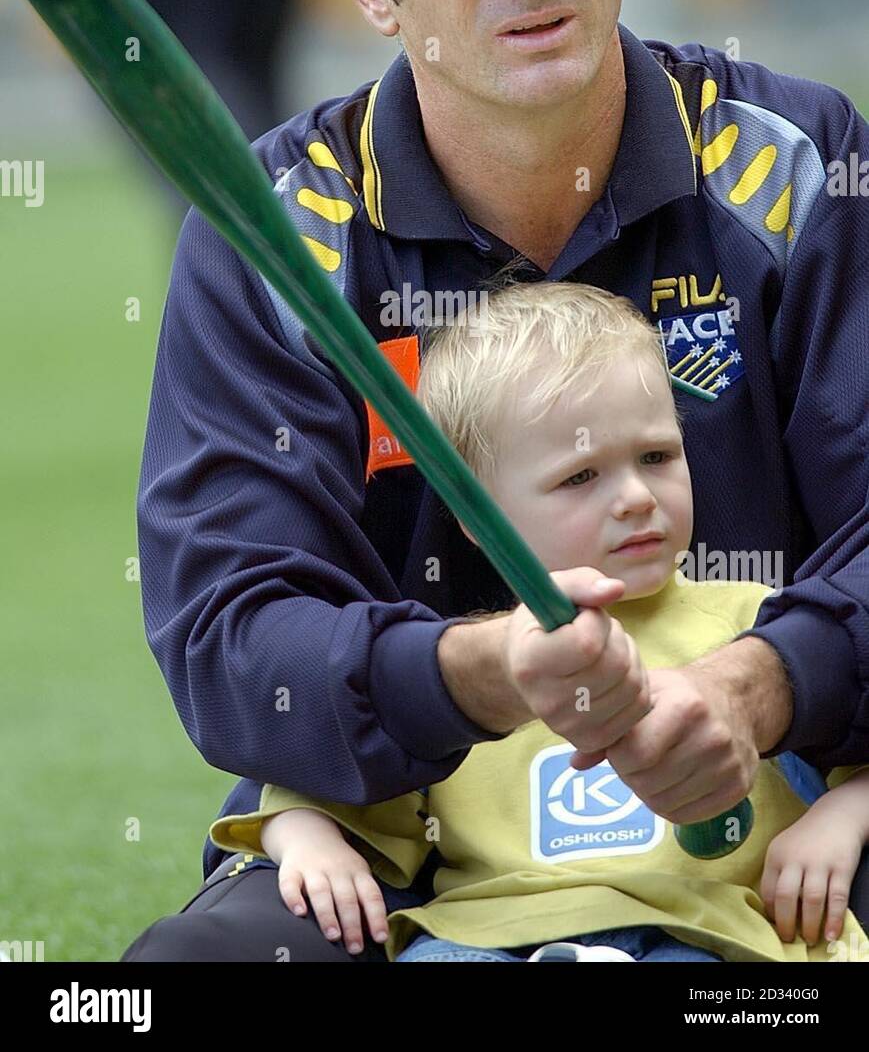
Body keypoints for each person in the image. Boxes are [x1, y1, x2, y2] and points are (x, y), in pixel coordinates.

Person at [121, 0, 869, 962]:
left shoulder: (800, 163)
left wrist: (760, 685)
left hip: (787, 809)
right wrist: (477, 673)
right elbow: (232, 626)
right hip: (394, 831)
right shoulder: (272, 232)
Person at [208, 282, 869, 964]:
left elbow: (853, 741)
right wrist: (304, 839)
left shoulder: (757, 624)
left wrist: (839, 818)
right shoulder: (471, 666)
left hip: (700, 932)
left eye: (655, 457)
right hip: (487, 934)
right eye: (580, 477)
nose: (636, 498)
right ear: (476, 516)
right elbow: (337, 790)